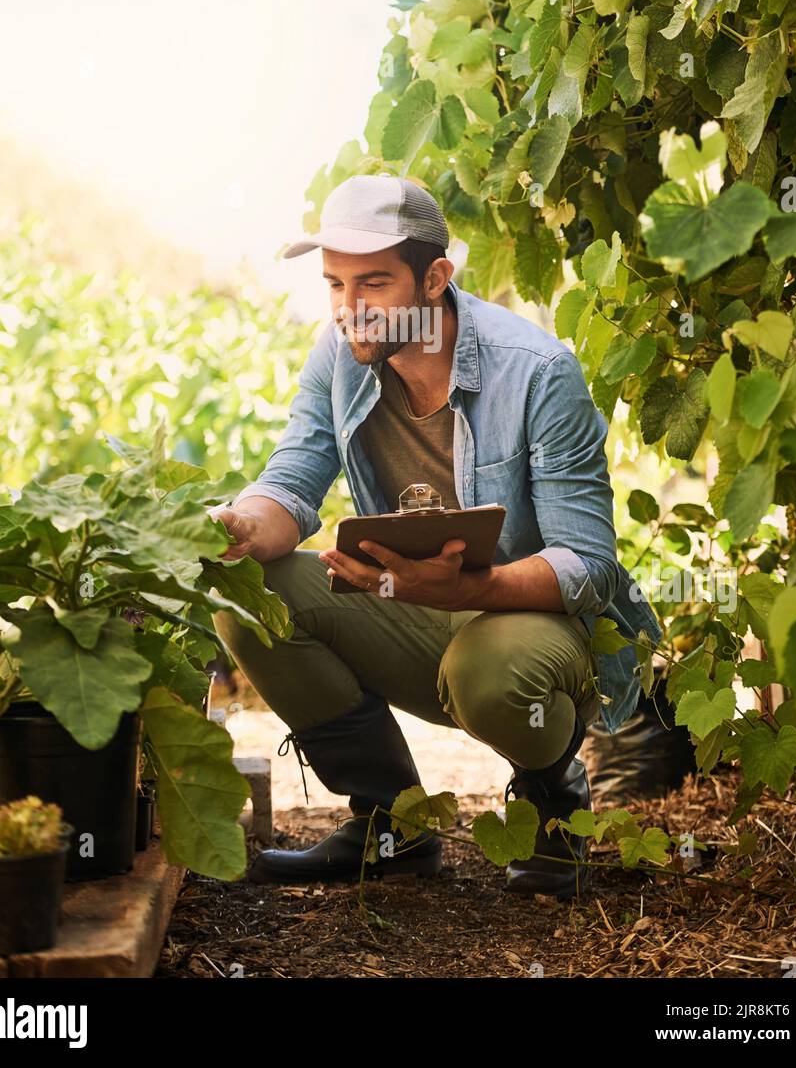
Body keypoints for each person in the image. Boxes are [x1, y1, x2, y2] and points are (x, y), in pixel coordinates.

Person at [211, 174, 660, 900]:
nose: (349, 310)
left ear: (434, 278)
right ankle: (392, 824)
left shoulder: (539, 373)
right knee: (250, 594)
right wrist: (239, 525)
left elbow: (589, 567)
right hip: (423, 607)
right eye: (334, 285)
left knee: (488, 671)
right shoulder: (340, 353)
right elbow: (292, 483)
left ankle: (553, 803)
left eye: (374, 284)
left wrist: (471, 588)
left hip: (538, 629)